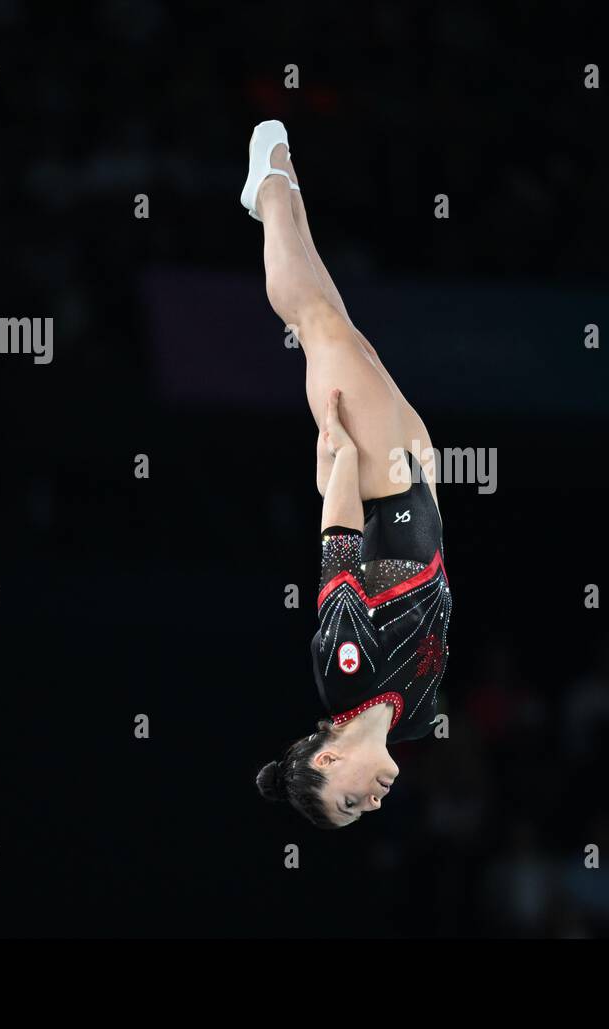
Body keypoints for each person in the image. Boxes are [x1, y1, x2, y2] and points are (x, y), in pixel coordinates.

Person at [243, 121, 453, 828]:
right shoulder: (418, 717)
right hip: (415, 478)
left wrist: (334, 453)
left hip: (371, 476)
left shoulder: (343, 677)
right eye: (364, 811)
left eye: (351, 799)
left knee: (315, 322)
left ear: (327, 759)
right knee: (339, 322)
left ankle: (270, 191)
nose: (374, 800)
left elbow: (339, 552)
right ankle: (283, 185)